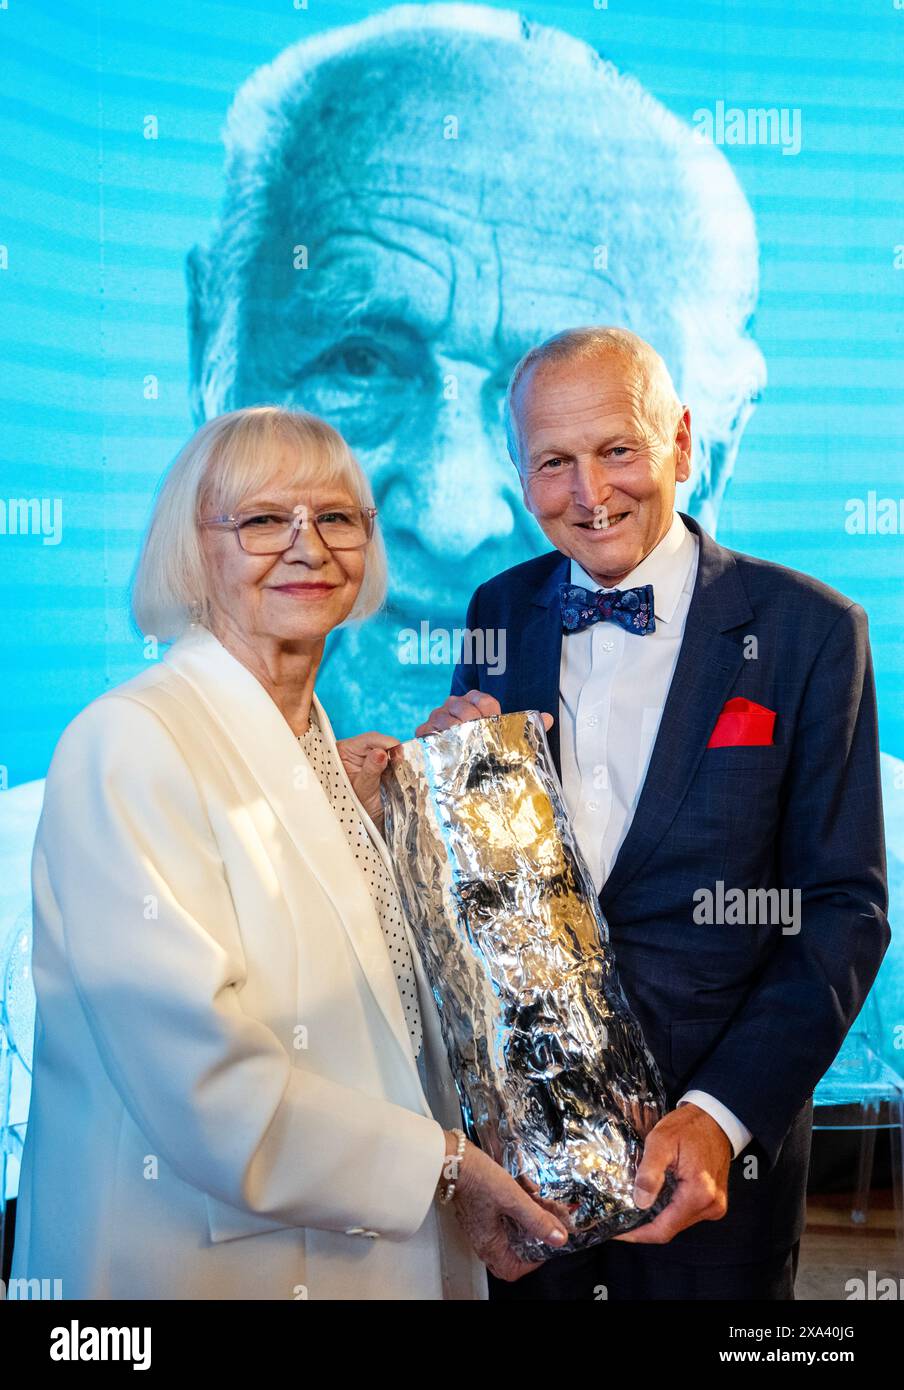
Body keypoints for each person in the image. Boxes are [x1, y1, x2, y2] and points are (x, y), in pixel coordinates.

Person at [9, 406, 568, 1301]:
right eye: (264, 519)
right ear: (192, 550)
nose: (308, 547)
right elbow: (204, 1082)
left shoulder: (324, 753)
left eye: (337, 518)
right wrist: (449, 1166)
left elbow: (386, 1026)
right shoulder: (130, 742)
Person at [418, 326, 891, 1300]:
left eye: (617, 449)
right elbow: (489, 902)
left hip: (714, 1181)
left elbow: (842, 907)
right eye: (554, 462)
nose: (589, 494)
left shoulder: (810, 631)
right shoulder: (497, 610)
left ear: (681, 441)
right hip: (527, 1172)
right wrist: (445, 784)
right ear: (519, 470)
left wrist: (720, 1114)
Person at [186, 2, 764, 739]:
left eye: (583, 420)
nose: (449, 518)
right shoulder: (100, 824)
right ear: (214, 359)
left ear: (702, 455)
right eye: (362, 364)